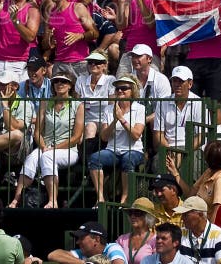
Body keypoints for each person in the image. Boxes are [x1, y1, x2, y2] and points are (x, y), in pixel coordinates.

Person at [11, 71, 83, 209]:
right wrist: (44, 146)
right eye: (56, 81)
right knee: (32, 158)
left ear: (70, 86)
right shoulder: (45, 103)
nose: (59, 84)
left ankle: (53, 201)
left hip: (68, 150)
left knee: (48, 157)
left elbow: (76, 138)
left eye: (63, 81)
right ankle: (16, 199)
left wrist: (53, 149)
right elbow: (37, 132)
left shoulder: (78, 105)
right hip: (46, 147)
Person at [88, 74, 145, 205]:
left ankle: (124, 198)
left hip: (133, 150)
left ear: (132, 91)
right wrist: (115, 119)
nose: (120, 91)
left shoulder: (139, 108)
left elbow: (136, 134)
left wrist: (122, 119)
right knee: (94, 159)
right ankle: (101, 198)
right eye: (117, 89)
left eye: (124, 88)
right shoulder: (109, 109)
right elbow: (104, 136)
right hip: (112, 150)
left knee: (128, 159)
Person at [175, 196, 221, 264]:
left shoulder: (218, 234)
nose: (182, 218)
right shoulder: (180, 233)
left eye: (186, 214)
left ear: (200, 215)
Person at [49, 221, 127, 264]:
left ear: (96, 240)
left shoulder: (113, 248)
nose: (77, 242)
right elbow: (53, 255)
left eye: (81, 238)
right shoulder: (83, 253)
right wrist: (83, 263)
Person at [116, 197, 157, 264]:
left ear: (148, 217)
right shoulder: (122, 239)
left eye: (137, 213)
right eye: (130, 213)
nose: (132, 216)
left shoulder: (155, 240)